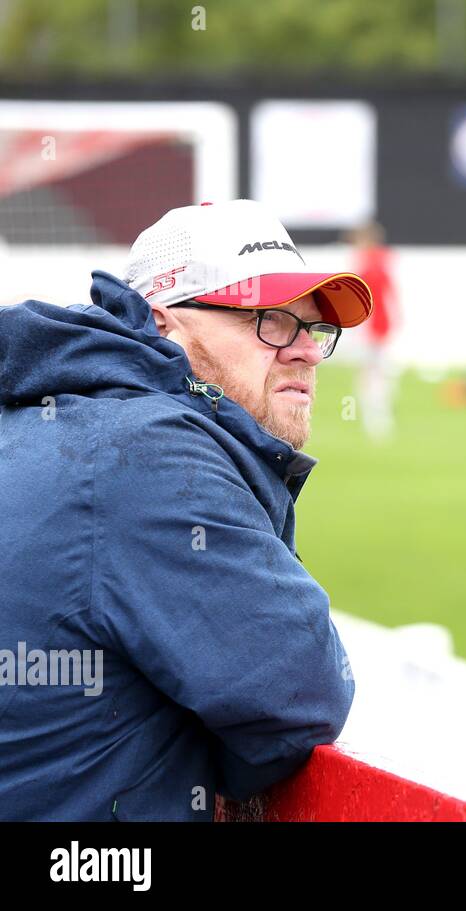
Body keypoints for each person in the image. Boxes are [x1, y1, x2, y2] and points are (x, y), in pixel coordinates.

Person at [0, 199, 369, 820]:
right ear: (164, 325)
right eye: (271, 321)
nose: (305, 350)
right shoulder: (148, 453)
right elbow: (298, 695)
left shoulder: (45, 416)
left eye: (311, 328)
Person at [351, 221, 399, 440]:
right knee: (376, 370)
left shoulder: (370, 263)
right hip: (377, 323)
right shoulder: (379, 259)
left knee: (372, 372)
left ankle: (375, 416)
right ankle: (376, 414)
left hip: (372, 324)